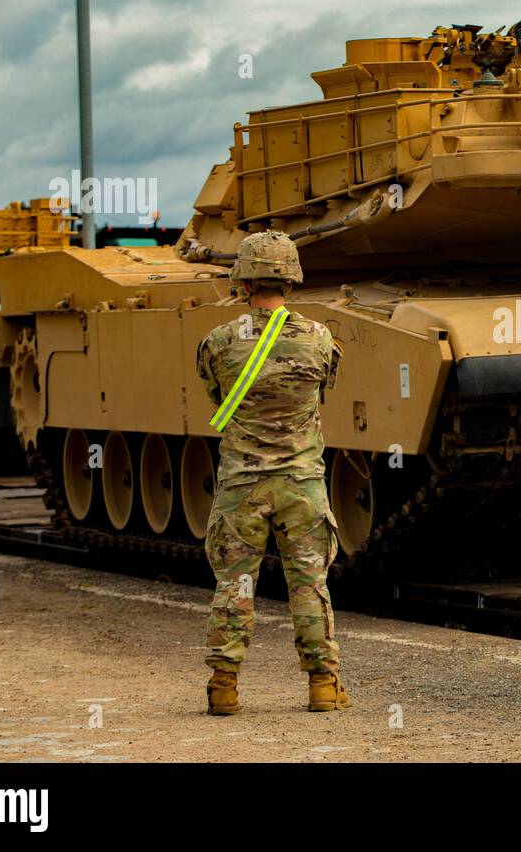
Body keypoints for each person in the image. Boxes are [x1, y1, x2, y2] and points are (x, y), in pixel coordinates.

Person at [195, 229, 348, 715]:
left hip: (242, 485)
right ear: (292, 282)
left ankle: (224, 687)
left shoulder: (219, 341)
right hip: (301, 483)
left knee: (235, 585)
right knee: (308, 583)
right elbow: (325, 388)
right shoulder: (319, 338)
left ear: (242, 283)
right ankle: (323, 685)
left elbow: (218, 397)